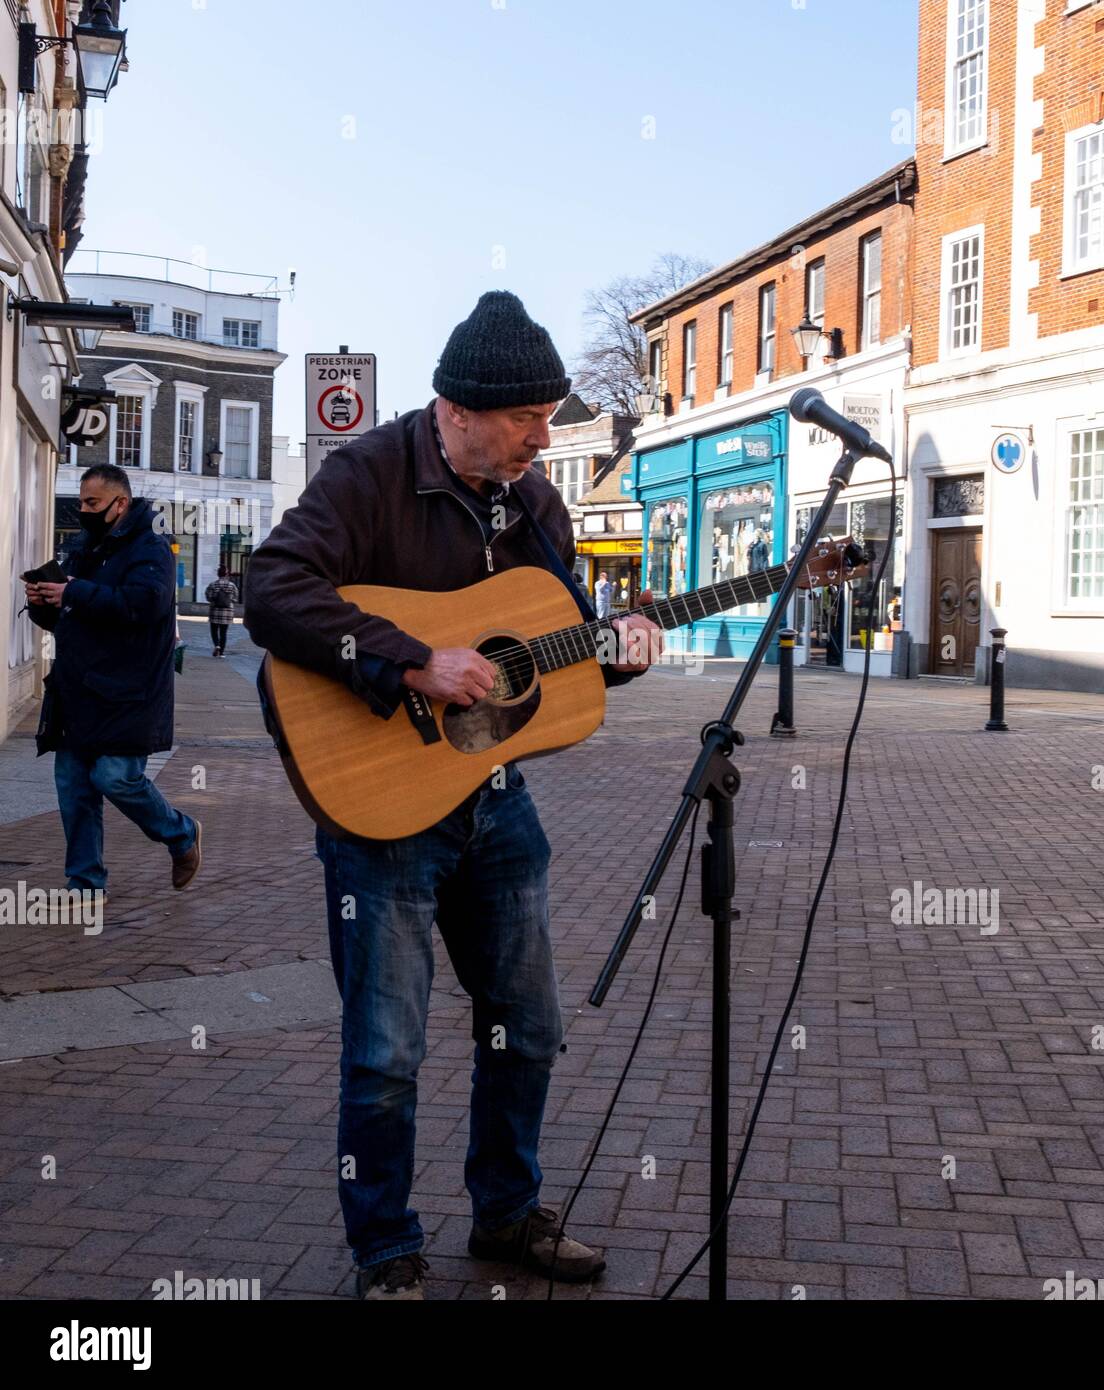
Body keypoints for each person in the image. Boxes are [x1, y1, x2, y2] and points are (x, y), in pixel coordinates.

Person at [243, 291, 662, 1300]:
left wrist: (628, 649)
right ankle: (386, 1250)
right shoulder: (369, 474)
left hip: (494, 794)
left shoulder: (534, 503)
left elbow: (558, 653)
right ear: (458, 408)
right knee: (386, 1052)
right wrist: (412, 660)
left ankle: (507, 1214)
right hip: (381, 809)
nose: (538, 439)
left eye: (547, 418)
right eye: (524, 420)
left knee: (530, 1022)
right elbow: (273, 588)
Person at [24, 464, 203, 902]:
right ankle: (86, 883)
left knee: (115, 778)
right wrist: (44, 603)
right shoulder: (83, 547)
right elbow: (68, 618)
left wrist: (73, 592)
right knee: (74, 788)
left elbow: (144, 603)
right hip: (76, 688)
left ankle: (180, 833)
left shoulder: (151, 548)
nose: (83, 510)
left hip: (128, 691)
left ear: (120, 504)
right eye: (82, 502)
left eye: (92, 503)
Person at [205, 565, 240, 658]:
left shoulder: (213, 584)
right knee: (223, 632)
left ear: (218, 574)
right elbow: (236, 598)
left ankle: (217, 645)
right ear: (227, 574)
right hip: (227, 612)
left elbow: (208, 597)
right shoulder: (232, 585)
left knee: (214, 630)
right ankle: (222, 653)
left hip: (215, 611)